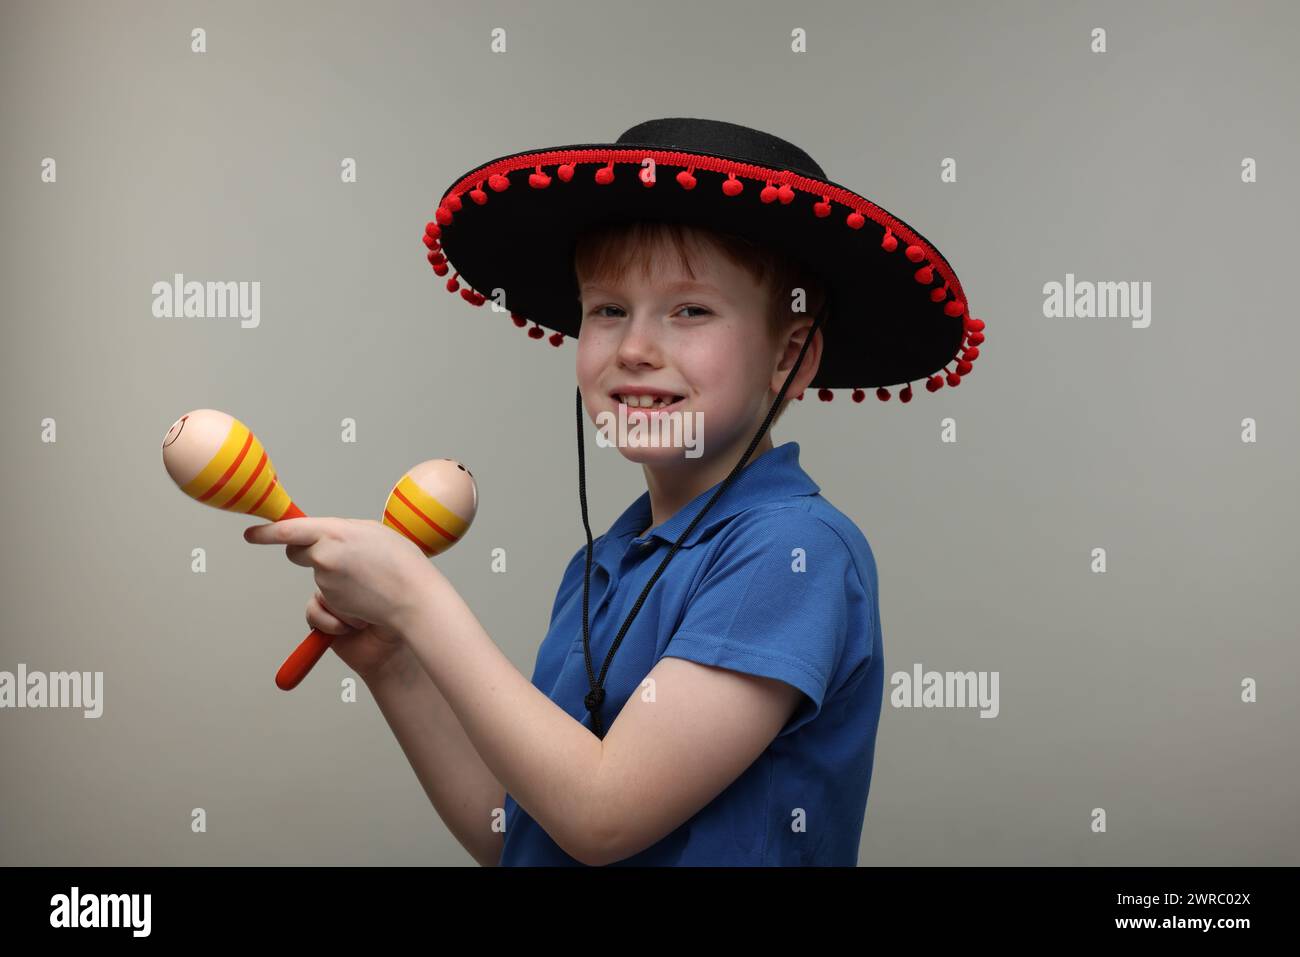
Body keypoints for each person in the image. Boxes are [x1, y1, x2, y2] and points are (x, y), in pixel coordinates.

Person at [244, 117, 986, 866]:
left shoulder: (792, 552)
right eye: (606, 309)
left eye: (690, 310)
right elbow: (522, 834)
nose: (634, 347)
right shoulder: (603, 563)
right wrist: (397, 662)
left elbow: (602, 814)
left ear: (789, 356)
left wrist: (416, 597)